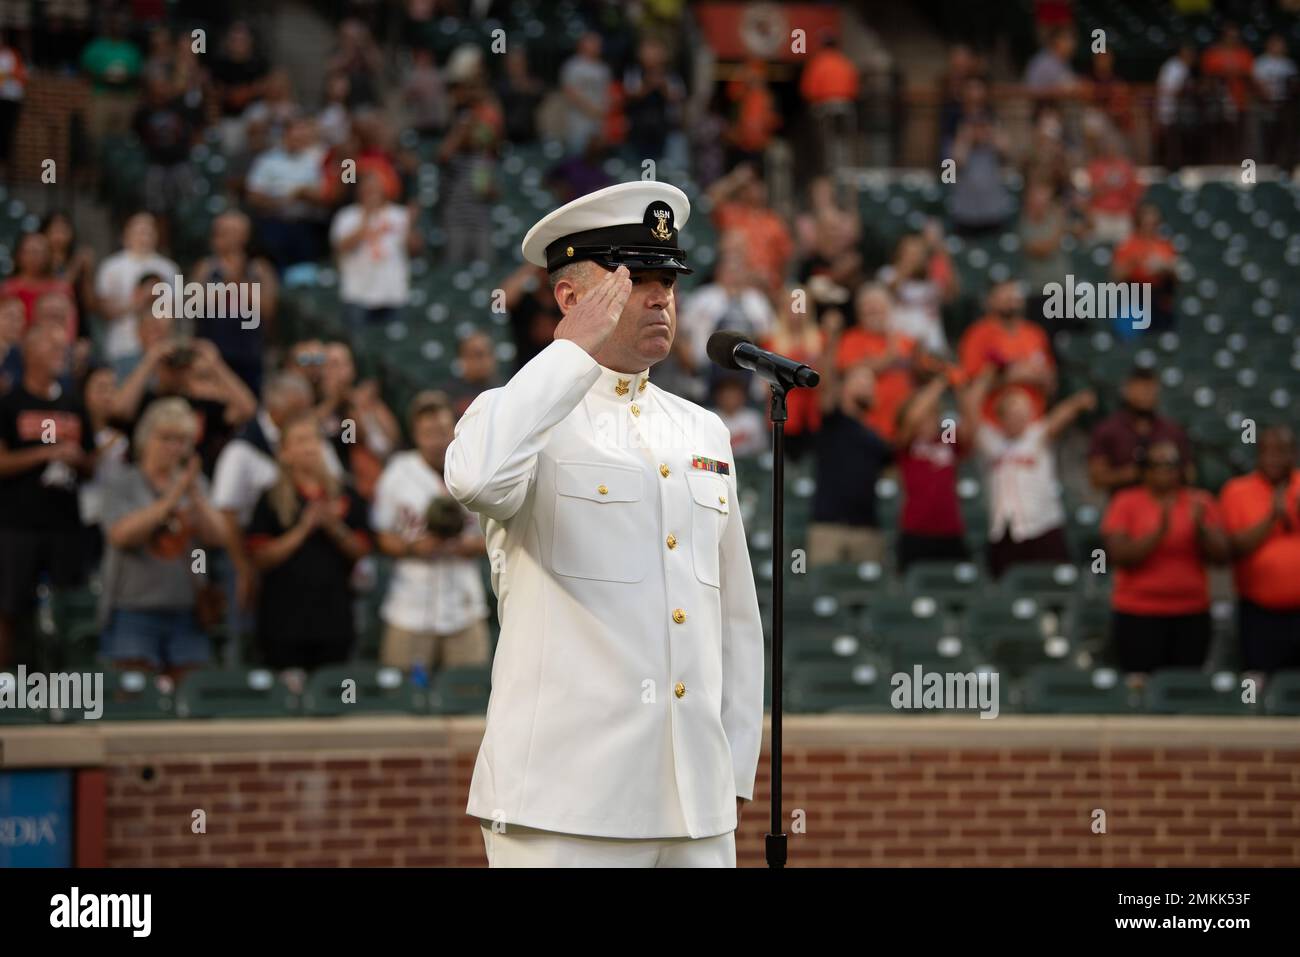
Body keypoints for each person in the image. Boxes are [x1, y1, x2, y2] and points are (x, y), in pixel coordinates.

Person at [445, 181, 764, 867]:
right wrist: (567, 353)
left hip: (695, 805)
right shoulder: (517, 415)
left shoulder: (700, 429)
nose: (660, 297)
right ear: (569, 300)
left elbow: (735, 615)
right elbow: (475, 477)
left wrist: (729, 770)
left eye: (669, 280)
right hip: (565, 803)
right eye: (634, 280)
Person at [99, 398, 227, 679]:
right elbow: (121, 535)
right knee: (135, 702)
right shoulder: (124, 483)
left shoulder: (197, 484)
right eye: (167, 438)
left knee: (191, 699)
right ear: (146, 439)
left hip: (188, 612)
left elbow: (219, 537)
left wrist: (194, 495)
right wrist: (173, 496)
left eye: (182, 440)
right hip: (134, 611)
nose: (175, 448)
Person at [0, 318, 95, 668]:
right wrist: (47, 452)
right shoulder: (9, 404)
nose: (61, 354)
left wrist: (79, 459)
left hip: (65, 523)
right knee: (9, 610)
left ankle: (64, 685)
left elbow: (91, 467)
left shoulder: (73, 404)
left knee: (68, 608)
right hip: (16, 525)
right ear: (29, 352)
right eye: (52, 347)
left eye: (64, 348)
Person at [372, 392, 489, 674]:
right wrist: (414, 548)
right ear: (415, 435)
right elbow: (382, 534)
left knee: (468, 693)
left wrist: (471, 546)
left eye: (441, 431)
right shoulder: (398, 473)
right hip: (409, 606)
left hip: (465, 604)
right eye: (427, 433)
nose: (436, 440)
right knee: (403, 698)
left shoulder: (477, 468)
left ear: (454, 428)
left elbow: (499, 535)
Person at [245, 413, 371, 669]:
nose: (309, 447)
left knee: (333, 693)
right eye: (300, 441)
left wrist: (333, 526)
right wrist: (303, 529)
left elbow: (362, 550)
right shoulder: (270, 499)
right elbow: (259, 557)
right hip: (283, 621)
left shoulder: (346, 493)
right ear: (285, 453)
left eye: (314, 440)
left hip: (334, 618)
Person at [1101, 440, 1229, 674]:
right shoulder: (1126, 502)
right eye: (1156, 465)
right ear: (1145, 470)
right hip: (1138, 613)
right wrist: (1158, 533)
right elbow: (1120, 556)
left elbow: (1222, 556)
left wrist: (1200, 528)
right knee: (1140, 686)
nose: (1164, 471)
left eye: (1171, 465)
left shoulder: (1200, 501)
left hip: (1191, 612)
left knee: (1185, 687)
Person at [967, 369, 1095, 577]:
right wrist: (988, 378)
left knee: (1054, 584)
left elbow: (1059, 417)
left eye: (1024, 411)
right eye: (1014, 411)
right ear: (1001, 416)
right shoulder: (991, 441)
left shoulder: (1036, 436)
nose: (1020, 416)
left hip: (1043, 526)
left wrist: (1078, 402)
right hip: (1004, 530)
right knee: (1004, 587)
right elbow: (970, 411)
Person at [109, 304, 257, 474]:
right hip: (144, 483)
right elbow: (118, 411)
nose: (176, 371)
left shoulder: (201, 405)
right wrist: (151, 359)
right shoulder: (144, 399)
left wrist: (216, 364)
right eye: (169, 365)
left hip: (195, 480)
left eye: (183, 366)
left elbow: (248, 409)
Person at [808, 309, 891, 566]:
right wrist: (832, 337)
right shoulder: (833, 420)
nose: (867, 385)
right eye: (860, 380)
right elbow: (827, 380)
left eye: (871, 382)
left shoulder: (876, 437)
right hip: (828, 527)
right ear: (845, 387)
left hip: (867, 529)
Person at [1219, 426, 1300, 674]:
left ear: (1293, 454)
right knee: (1256, 685)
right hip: (1258, 613)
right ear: (1258, 454)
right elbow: (1232, 549)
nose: (1275, 458)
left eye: (1282, 451)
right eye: (1269, 452)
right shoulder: (1237, 490)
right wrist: (1272, 517)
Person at [190, 209, 279, 396]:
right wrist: (228, 284)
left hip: (249, 353)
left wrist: (237, 283)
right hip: (212, 352)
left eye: (233, 232)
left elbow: (267, 309)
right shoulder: (206, 267)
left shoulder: (260, 269)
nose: (227, 237)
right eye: (223, 231)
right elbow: (193, 305)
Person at [893, 369, 973, 571]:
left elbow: (970, 427)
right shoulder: (907, 442)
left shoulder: (946, 438)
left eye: (933, 414)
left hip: (950, 531)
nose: (928, 418)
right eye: (925, 414)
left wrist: (961, 387)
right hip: (916, 531)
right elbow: (912, 418)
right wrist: (940, 382)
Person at [958, 280, 1056, 424]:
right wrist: (1016, 374)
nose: (1011, 299)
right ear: (990, 300)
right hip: (991, 424)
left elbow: (1050, 383)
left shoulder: (1035, 333)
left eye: (1014, 294)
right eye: (1004, 295)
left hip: (1033, 424)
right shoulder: (978, 334)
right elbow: (970, 386)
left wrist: (1042, 377)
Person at [330, 169, 418, 327]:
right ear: (359, 190)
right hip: (357, 293)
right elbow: (341, 247)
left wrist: (410, 226)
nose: (371, 192)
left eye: (376, 187)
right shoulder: (347, 216)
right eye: (367, 187)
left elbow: (414, 250)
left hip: (393, 292)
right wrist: (366, 217)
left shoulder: (398, 214)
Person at [94, 213, 177, 375]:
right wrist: (139, 302)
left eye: (149, 231)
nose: (144, 236)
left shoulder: (168, 268)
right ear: (126, 235)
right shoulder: (111, 267)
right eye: (139, 231)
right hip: (121, 346)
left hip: (158, 347)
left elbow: (173, 311)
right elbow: (104, 310)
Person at [1088, 366, 1192, 495]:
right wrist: (1136, 472)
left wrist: (1164, 469)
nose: (1146, 395)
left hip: (1165, 504)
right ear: (1127, 390)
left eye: (1150, 389)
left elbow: (1190, 474)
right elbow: (1096, 478)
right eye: (1141, 389)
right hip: (1123, 505)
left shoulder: (1172, 431)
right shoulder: (1108, 430)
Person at [835, 283, 917, 443]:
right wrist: (890, 355)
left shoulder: (906, 341)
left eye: (878, 305)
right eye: (867, 306)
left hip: (903, 429)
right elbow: (852, 371)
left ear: (889, 309)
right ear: (859, 312)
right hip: (865, 429)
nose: (873, 310)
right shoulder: (850, 339)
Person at [1112, 203, 1178, 332]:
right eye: (1146, 221)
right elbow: (1116, 276)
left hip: (1159, 299)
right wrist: (1136, 262)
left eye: (1154, 222)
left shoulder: (1164, 246)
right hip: (1135, 298)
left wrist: (1165, 268)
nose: (1150, 226)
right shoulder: (1128, 245)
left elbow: (1175, 278)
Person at [560, 32, 611, 156]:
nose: (596, 46)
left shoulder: (603, 68)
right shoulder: (573, 66)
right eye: (592, 42)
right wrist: (592, 109)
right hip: (578, 123)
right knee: (577, 159)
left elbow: (607, 93)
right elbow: (570, 92)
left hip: (599, 124)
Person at [446, 331, 499, 419]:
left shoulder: (506, 389)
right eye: (476, 355)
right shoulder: (448, 394)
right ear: (462, 359)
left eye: (487, 354)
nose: (483, 361)